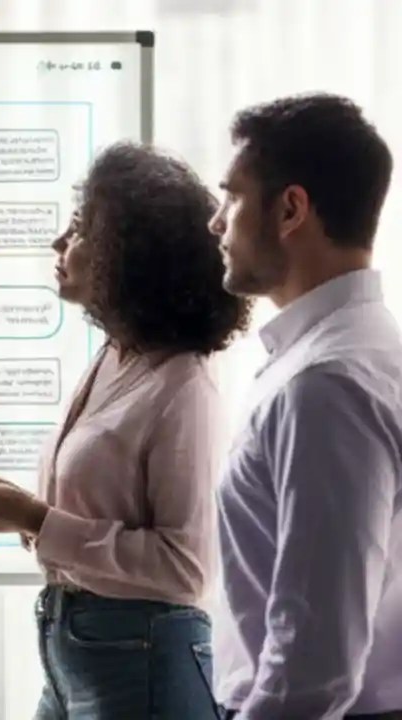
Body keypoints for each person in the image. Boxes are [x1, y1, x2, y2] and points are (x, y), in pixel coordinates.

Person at [0, 141, 251, 718]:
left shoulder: (183, 387)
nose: (58, 244)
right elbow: (98, 526)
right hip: (75, 653)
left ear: (126, 258)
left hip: (141, 660)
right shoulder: (114, 356)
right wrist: (19, 519)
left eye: (78, 231)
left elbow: (184, 567)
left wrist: (34, 517)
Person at [209, 93, 402, 719]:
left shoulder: (325, 384)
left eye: (231, 196)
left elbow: (314, 664)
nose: (216, 222)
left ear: (291, 209)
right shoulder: (352, 354)